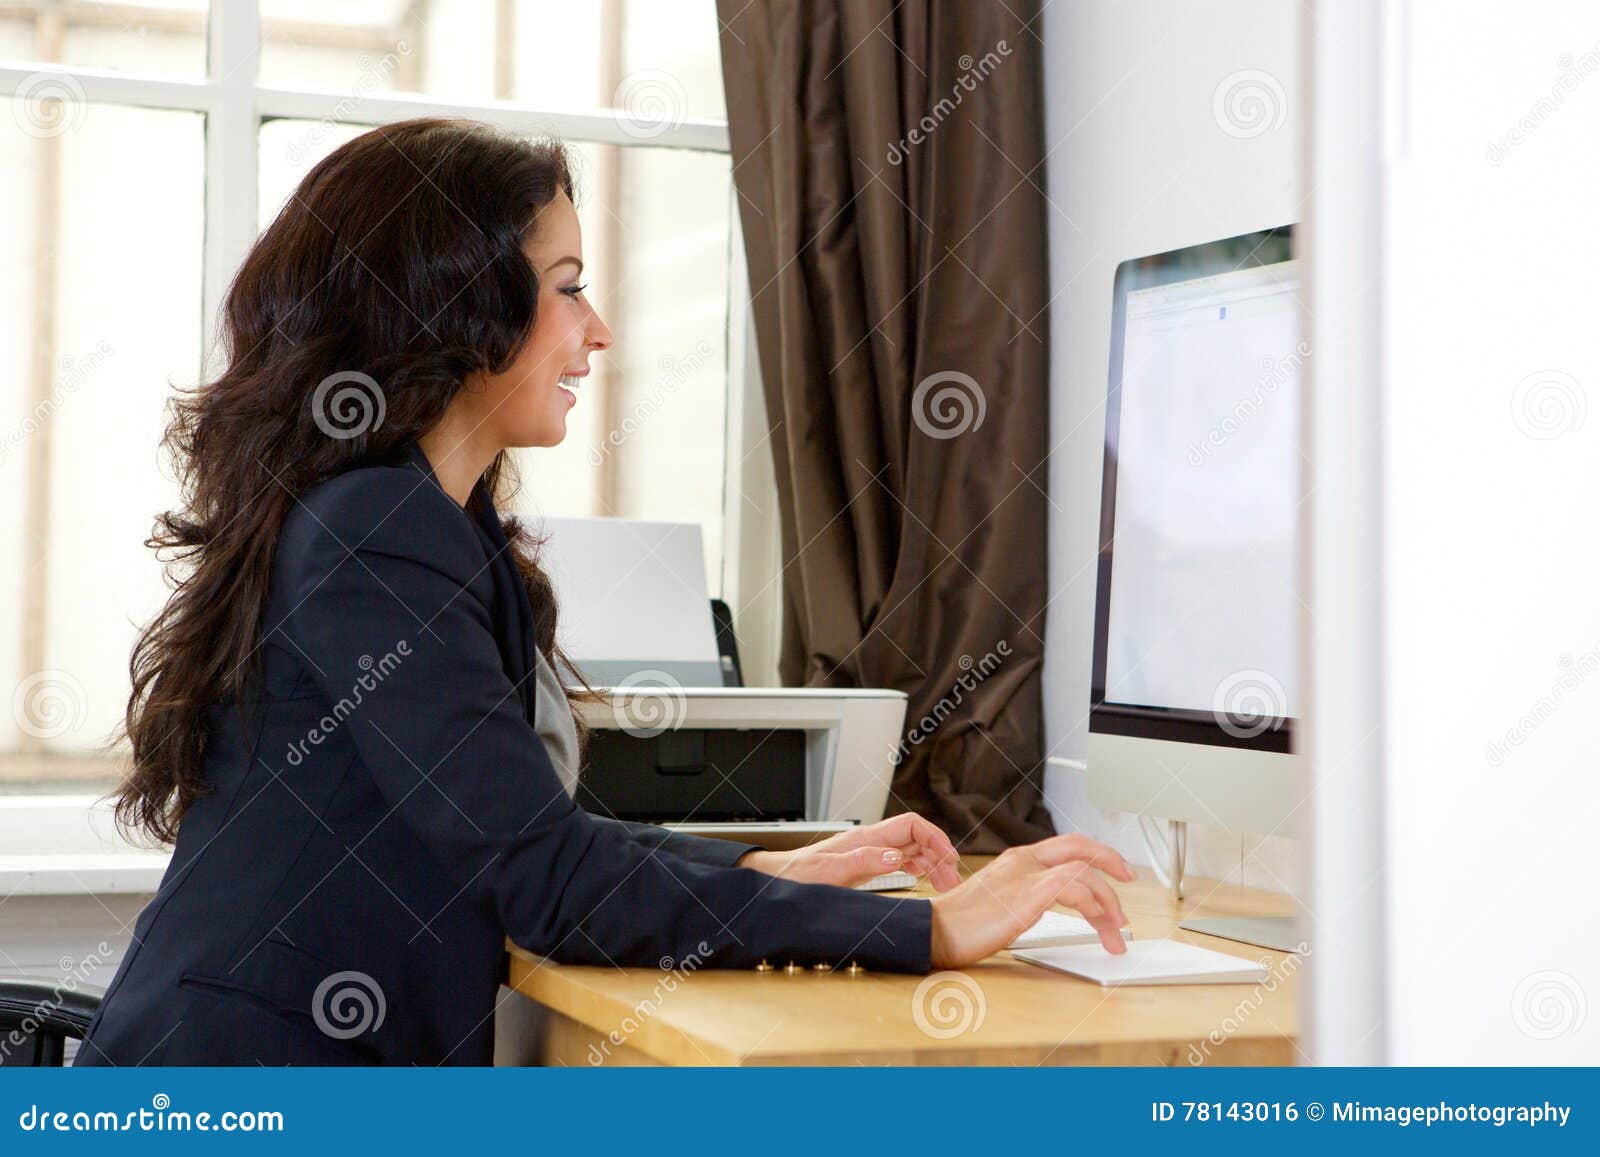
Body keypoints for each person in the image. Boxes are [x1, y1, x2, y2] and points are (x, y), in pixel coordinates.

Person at [75, 118, 1133, 1067]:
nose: (600, 331)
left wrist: (771, 869)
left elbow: (522, 834)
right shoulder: (375, 530)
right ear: (462, 303)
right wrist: (926, 930)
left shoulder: (438, 527)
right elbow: (543, 876)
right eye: (568, 284)